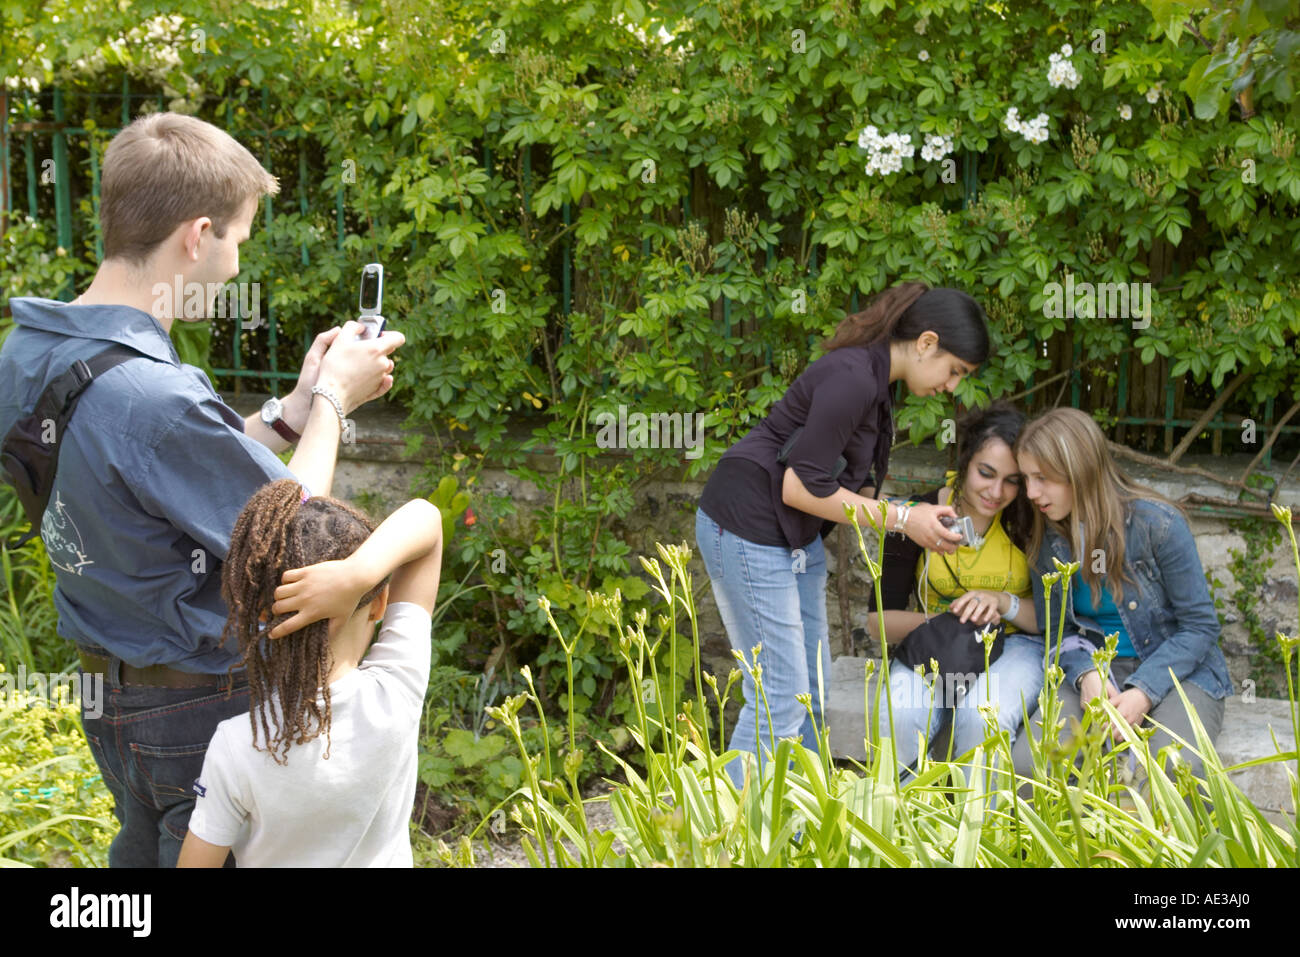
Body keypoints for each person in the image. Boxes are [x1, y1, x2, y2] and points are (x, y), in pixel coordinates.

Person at [0, 111, 404, 867]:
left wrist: (288, 412)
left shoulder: (33, 348)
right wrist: (334, 404)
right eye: (238, 240)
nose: (234, 266)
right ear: (197, 234)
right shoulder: (155, 397)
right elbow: (289, 524)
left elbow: (155, 468)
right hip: (191, 713)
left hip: (111, 697)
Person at [694, 281, 990, 784]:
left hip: (794, 538)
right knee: (779, 700)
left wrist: (917, 515)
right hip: (748, 526)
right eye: (955, 370)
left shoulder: (876, 381)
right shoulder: (853, 376)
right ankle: (726, 842)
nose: (953, 386)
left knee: (812, 691)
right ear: (926, 343)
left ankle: (795, 831)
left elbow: (842, 489)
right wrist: (902, 520)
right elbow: (800, 486)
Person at [178, 481, 442, 867]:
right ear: (379, 603)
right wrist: (359, 575)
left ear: (264, 615)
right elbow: (427, 520)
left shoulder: (237, 745)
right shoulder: (398, 689)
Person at [1009, 407, 1231, 786]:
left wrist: (1143, 691)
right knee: (1033, 766)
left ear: (1079, 469)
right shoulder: (1046, 537)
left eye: (1042, 478)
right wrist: (1086, 676)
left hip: (1178, 670)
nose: (1031, 493)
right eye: (1027, 478)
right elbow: (1057, 629)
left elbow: (1200, 627)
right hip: (1098, 671)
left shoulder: (1158, 525)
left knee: (1175, 772)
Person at [861, 401, 1043, 769]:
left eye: (1012, 481)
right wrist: (954, 622)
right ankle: (896, 819)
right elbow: (877, 622)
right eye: (986, 473)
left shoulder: (1029, 519)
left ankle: (977, 823)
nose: (996, 492)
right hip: (937, 643)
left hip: (1015, 644)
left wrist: (1001, 602)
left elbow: (1053, 621)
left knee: (982, 716)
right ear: (964, 460)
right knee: (900, 712)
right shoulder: (917, 517)